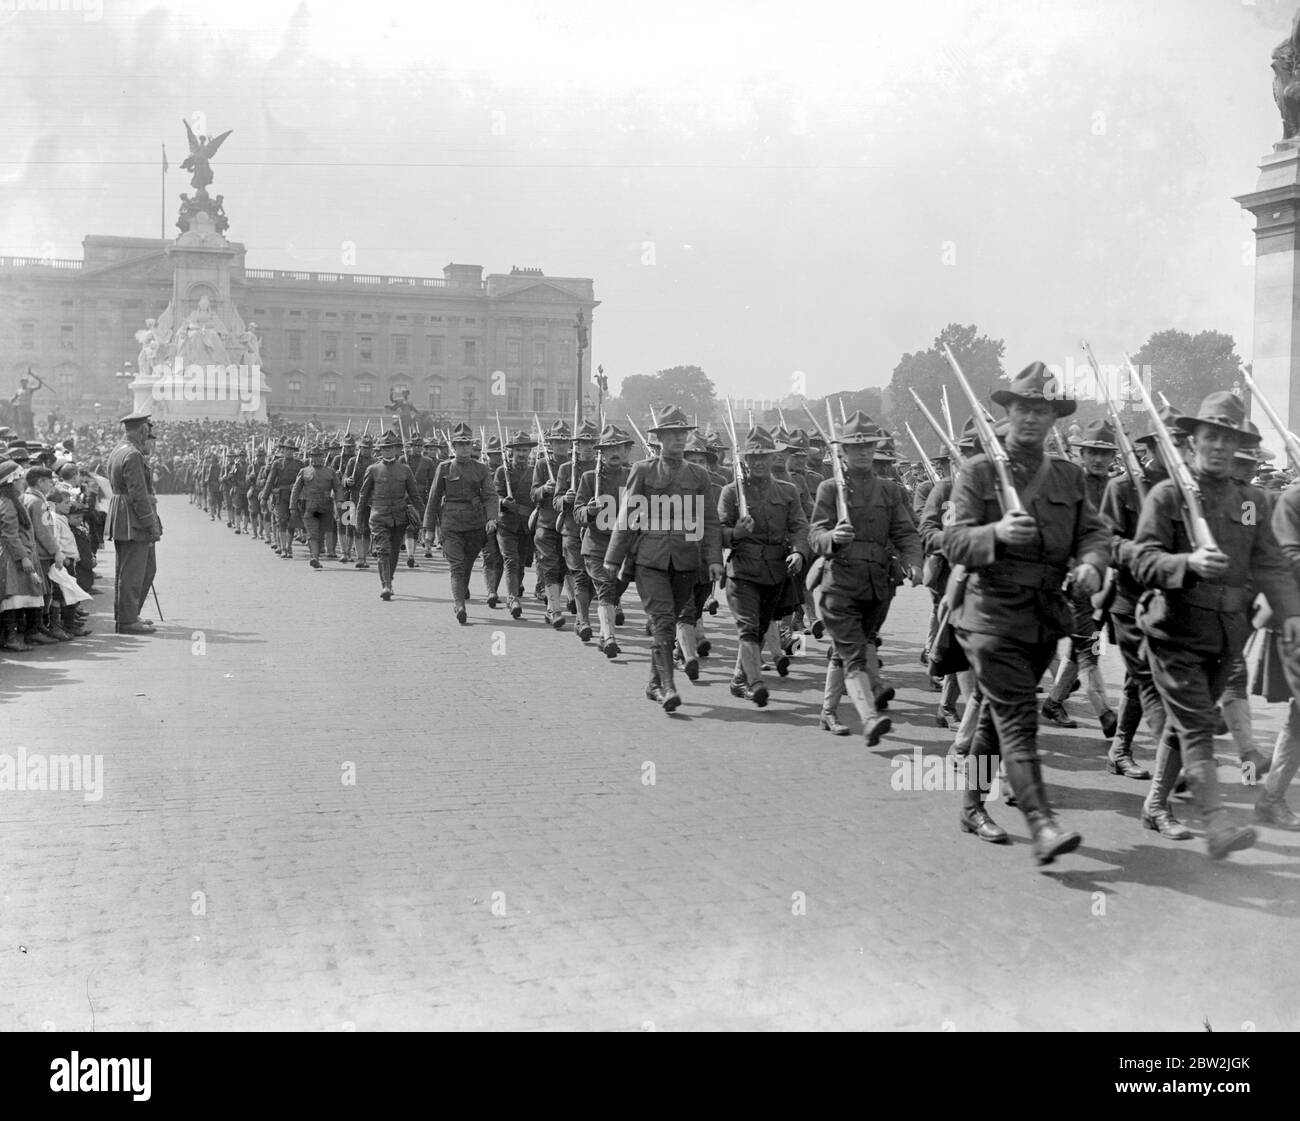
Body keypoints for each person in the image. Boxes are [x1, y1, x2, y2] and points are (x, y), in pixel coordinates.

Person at [945, 362, 1108, 864]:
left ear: (1053, 418)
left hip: (1043, 616)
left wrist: (1089, 565)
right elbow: (952, 541)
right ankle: (1042, 823)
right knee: (1019, 718)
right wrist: (994, 535)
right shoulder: (978, 472)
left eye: (1042, 410)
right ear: (1007, 412)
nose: (1032, 418)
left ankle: (971, 806)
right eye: (1023, 408)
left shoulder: (1069, 475)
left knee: (997, 719)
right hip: (988, 614)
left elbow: (1094, 533)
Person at [1132, 391, 1300, 859]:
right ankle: (1215, 821)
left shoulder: (1252, 502)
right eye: (1211, 437)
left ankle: (1155, 805)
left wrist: (1292, 616)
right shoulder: (1170, 495)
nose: (1221, 447)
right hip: (1174, 628)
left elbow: (1271, 566)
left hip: (1227, 634)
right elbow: (1142, 560)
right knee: (1197, 723)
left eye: (1229, 439)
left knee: (1185, 723)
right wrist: (1186, 562)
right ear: (1192, 441)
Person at [808, 411, 922, 745]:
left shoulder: (889, 490)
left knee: (848, 649)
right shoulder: (830, 488)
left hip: (877, 586)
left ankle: (828, 711)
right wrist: (833, 538)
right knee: (854, 653)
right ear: (841, 450)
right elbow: (815, 534)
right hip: (839, 583)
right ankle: (870, 717)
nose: (863, 452)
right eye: (855, 447)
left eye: (869, 446)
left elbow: (906, 532)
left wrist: (913, 562)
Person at [605, 406, 723, 712]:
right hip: (650, 559)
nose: (679, 439)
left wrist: (713, 559)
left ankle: (653, 684)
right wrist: (614, 557)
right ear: (660, 439)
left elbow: (709, 521)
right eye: (673, 434)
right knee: (663, 620)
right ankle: (668, 687)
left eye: (683, 434)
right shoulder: (643, 470)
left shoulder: (699, 475)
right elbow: (626, 515)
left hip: (686, 561)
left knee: (668, 623)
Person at [718, 425, 808, 708]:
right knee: (747, 627)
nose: (758, 462)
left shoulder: (788, 491)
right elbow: (717, 531)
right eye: (752, 457)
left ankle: (738, 679)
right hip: (742, 570)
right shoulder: (732, 492)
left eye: (764, 456)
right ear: (744, 460)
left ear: (773, 458)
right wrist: (736, 534)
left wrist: (799, 553)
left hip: (776, 572)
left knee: (759, 630)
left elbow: (800, 527)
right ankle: (756, 683)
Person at [1041, 418, 1120, 736]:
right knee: (1087, 645)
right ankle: (1104, 713)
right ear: (1081, 453)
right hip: (1074, 577)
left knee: (1086, 644)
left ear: (1114, 456)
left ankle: (1054, 701)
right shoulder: (1067, 482)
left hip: (1109, 579)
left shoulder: (1118, 486)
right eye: (1091, 452)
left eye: (1105, 453)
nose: (1098, 459)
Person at [423, 422, 499, 623]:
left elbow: (491, 495)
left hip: (475, 524)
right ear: (453, 447)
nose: (464, 448)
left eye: (467, 444)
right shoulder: (444, 467)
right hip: (451, 523)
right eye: (460, 444)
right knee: (456, 565)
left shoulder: (481, 469)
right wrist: (429, 529)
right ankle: (459, 605)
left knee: (467, 562)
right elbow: (433, 498)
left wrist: (492, 518)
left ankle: (462, 589)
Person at [576, 424, 634, 656]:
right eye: (609, 448)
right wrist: (589, 511)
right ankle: (609, 637)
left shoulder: (632, 477)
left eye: (618, 447)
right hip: (597, 546)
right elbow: (577, 512)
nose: (614, 453)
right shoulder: (590, 478)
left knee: (614, 589)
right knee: (607, 589)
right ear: (602, 452)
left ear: (626, 451)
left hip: (623, 549)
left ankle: (603, 635)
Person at [106, 409, 162, 636]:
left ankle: (128, 616)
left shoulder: (119, 450)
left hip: (123, 515)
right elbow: (139, 494)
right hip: (133, 517)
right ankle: (127, 621)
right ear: (142, 430)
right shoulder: (134, 455)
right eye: (148, 431)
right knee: (135, 571)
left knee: (133, 570)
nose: (149, 436)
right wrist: (151, 523)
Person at [358, 431, 424, 601]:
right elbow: (363, 496)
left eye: (391, 448)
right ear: (380, 450)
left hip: (399, 517)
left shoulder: (405, 469)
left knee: (394, 552)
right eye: (384, 448)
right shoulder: (373, 469)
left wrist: (422, 518)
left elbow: (414, 495)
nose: (387, 451)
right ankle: (386, 585)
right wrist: (359, 520)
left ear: (396, 449)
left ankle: (390, 579)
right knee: (383, 551)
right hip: (378, 516)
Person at [0, 458, 49, 649]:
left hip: (20, 554)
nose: (23, 481)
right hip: (13, 558)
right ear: (11, 481)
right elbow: (9, 535)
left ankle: (20, 635)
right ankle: (11, 638)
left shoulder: (13, 501)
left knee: (21, 596)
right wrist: (23, 558)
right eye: (20, 478)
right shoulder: (7, 504)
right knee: (13, 598)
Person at [494, 429, 537, 619]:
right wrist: (503, 502)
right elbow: (493, 495)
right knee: (510, 560)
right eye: (518, 450)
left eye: (525, 450)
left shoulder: (536, 472)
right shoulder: (502, 471)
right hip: (506, 525)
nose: (521, 454)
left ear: (530, 452)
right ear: (511, 451)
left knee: (520, 563)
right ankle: (512, 598)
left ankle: (516, 589)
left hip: (527, 526)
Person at [289, 442, 340, 570]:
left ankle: (317, 553)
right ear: (310, 457)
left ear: (323, 456)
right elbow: (296, 489)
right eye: (314, 455)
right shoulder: (304, 471)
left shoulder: (330, 472)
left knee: (322, 531)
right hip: (311, 506)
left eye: (318, 455)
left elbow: (338, 488)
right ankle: (314, 557)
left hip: (325, 507)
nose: (316, 458)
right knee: (312, 532)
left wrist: (340, 503)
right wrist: (292, 506)